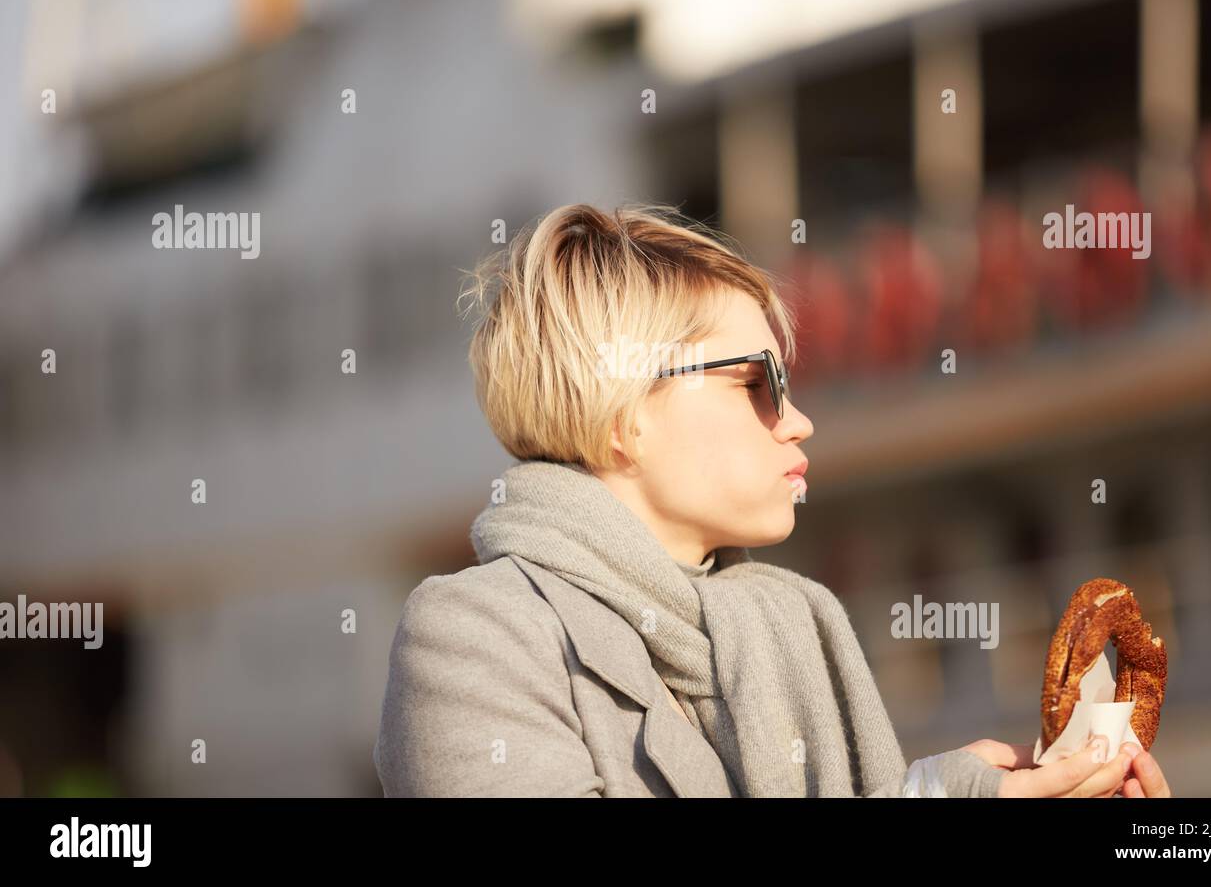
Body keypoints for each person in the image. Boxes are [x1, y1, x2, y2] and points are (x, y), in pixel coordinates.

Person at [372, 202, 1170, 797]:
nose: (797, 420)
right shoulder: (473, 637)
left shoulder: (797, 624)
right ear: (626, 417)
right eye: (758, 381)